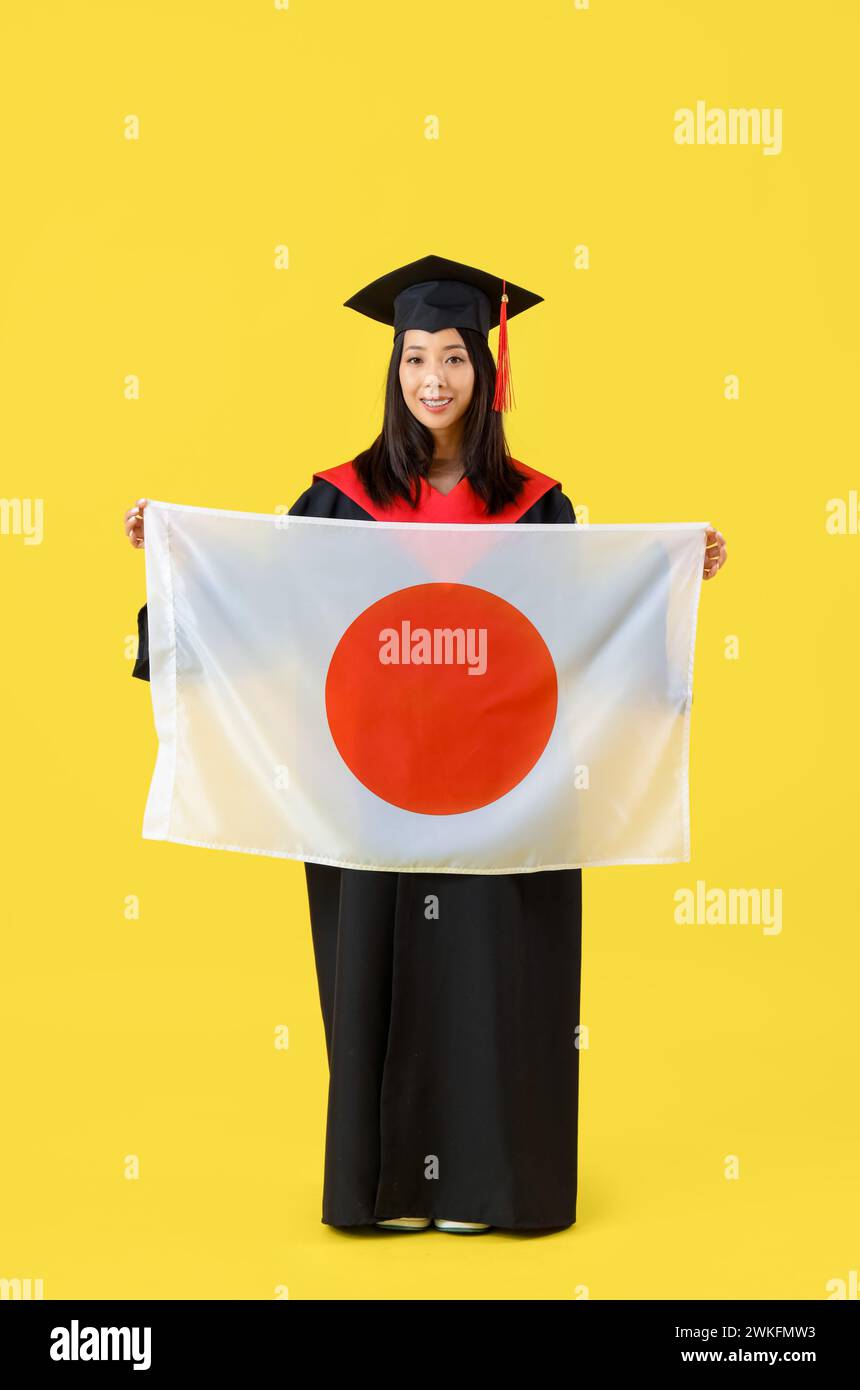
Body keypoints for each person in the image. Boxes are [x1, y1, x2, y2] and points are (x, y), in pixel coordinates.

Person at [124, 254, 727, 1235]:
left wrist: (677, 585)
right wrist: (176, 565)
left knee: (501, 986)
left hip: (509, 790)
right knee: (376, 973)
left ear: (483, 374)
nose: (433, 379)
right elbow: (270, 607)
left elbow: (588, 633)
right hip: (369, 788)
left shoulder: (538, 506)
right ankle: (389, 1189)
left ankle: (489, 1189)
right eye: (415, 360)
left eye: (453, 357)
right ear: (394, 372)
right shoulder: (339, 498)